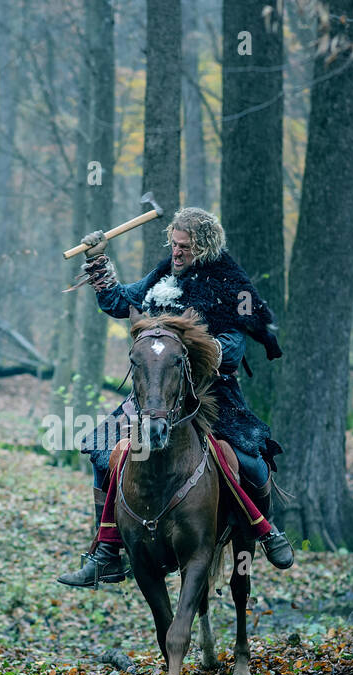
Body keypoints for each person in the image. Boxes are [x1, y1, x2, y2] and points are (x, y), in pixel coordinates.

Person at [57, 207, 294, 588]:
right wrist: (97, 258)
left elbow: (234, 345)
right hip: (154, 390)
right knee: (102, 449)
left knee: (250, 459)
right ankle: (107, 554)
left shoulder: (229, 283)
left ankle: (264, 530)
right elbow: (119, 302)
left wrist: (191, 351)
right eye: (173, 244)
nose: (176, 252)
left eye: (184, 246)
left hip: (210, 391)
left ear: (203, 247)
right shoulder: (163, 275)